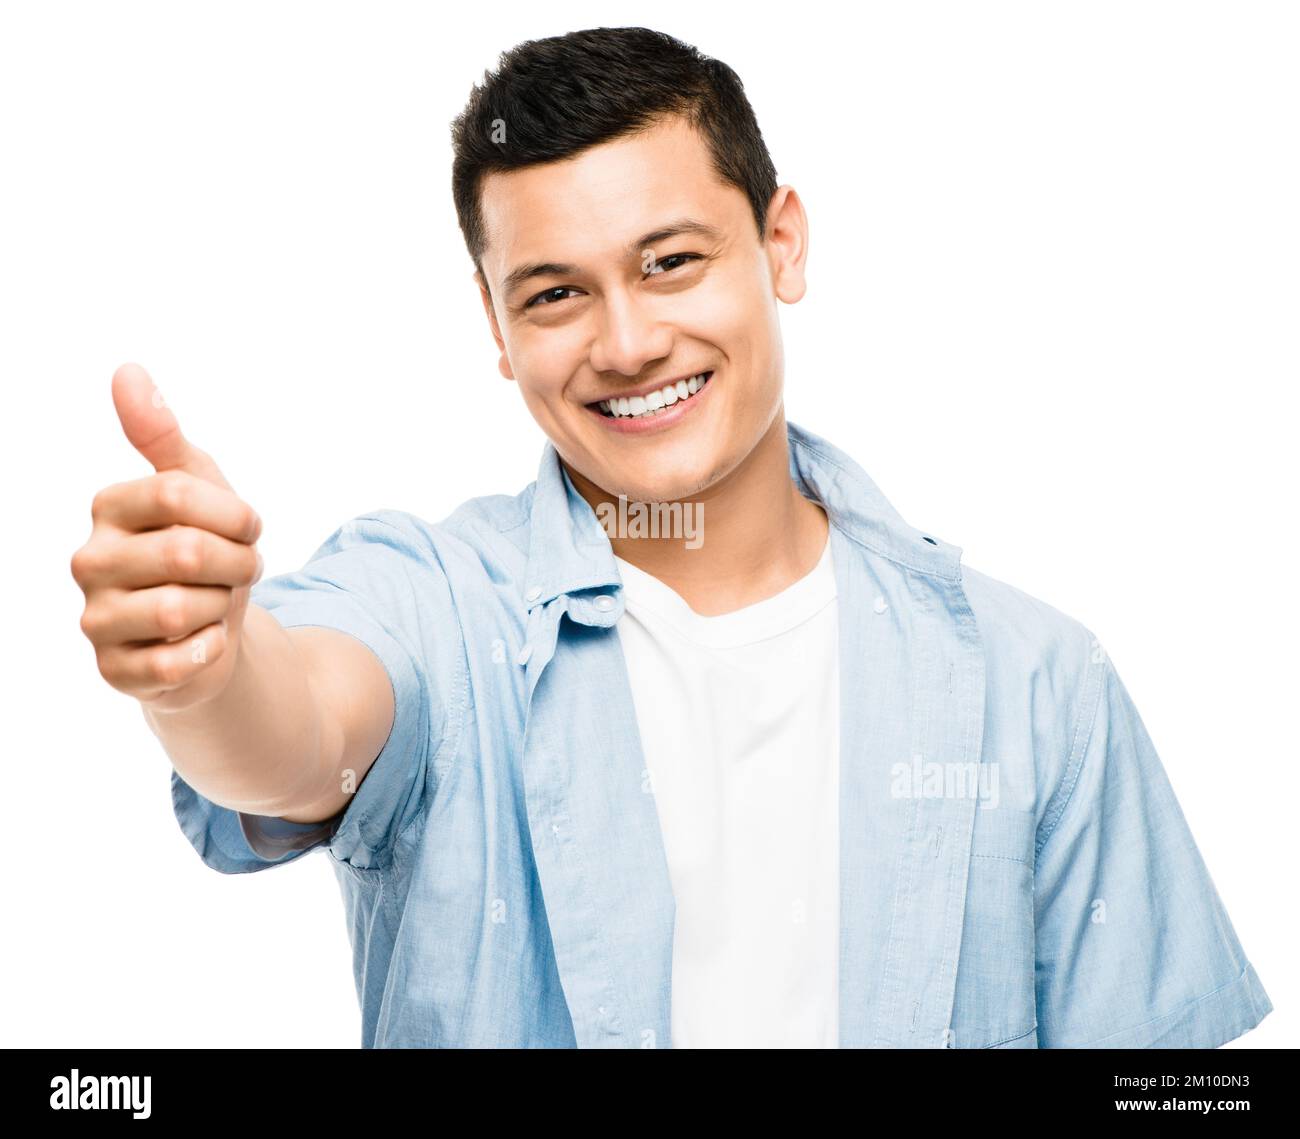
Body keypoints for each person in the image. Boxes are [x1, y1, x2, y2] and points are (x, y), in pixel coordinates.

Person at [71, 25, 1272, 1049]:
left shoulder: (1037, 683)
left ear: (780, 243)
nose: (630, 340)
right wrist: (207, 672)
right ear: (494, 322)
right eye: (555, 292)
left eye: (671, 263)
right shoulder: (437, 604)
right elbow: (299, 732)